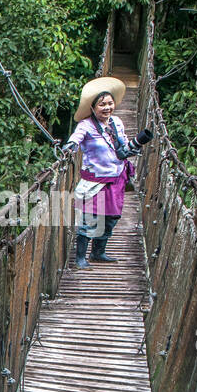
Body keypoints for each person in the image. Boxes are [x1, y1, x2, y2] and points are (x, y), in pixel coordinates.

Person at [63, 76, 134, 268]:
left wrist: (131, 148)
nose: (107, 108)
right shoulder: (86, 125)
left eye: (110, 103)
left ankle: (98, 252)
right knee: (90, 219)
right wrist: (70, 146)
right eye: (102, 104)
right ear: (93, 108)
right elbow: (76, 138)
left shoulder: (117, 122)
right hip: (95, 181)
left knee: (111, 218)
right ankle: (80, 258)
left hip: (117, 178)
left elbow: (124, 143)